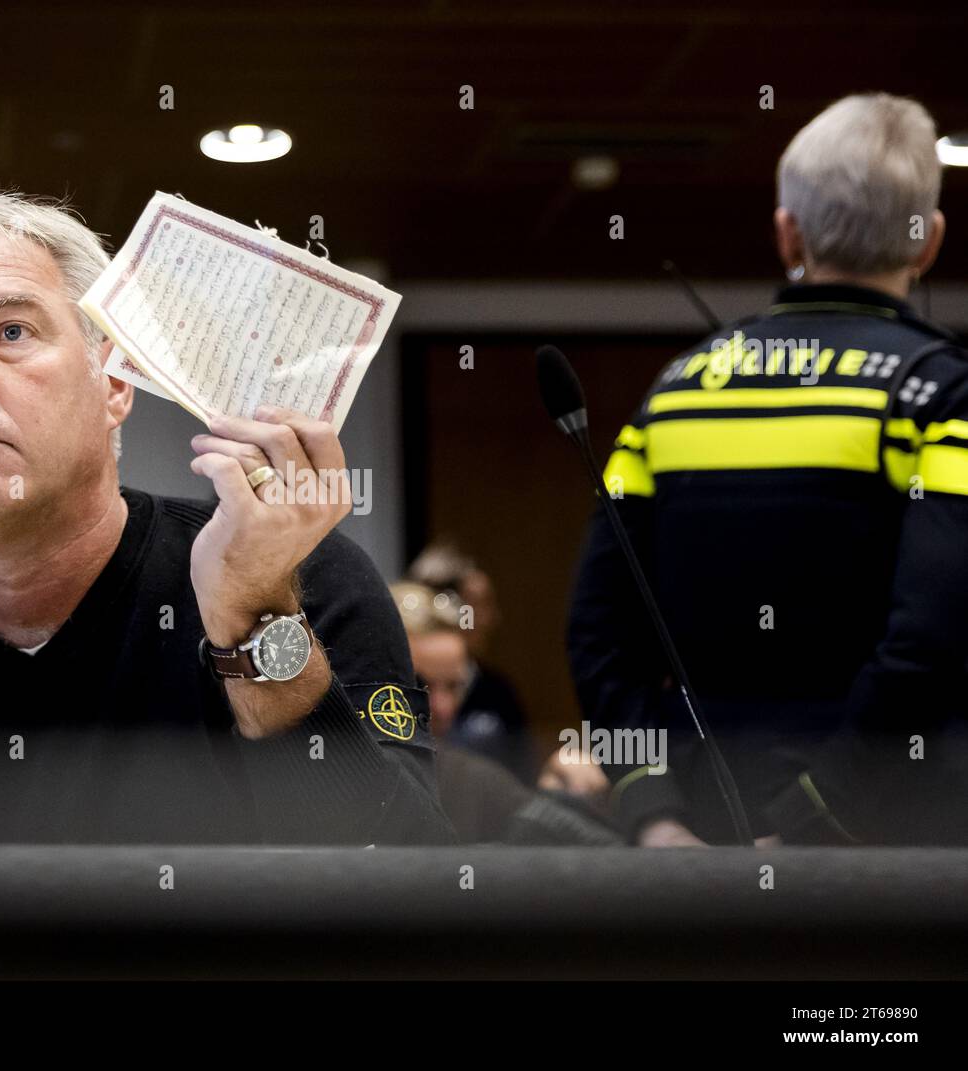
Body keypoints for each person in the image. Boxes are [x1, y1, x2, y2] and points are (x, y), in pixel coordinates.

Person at [0, 188, 456, 846]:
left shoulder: (307, 579)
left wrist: (254, 618)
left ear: (113, 383)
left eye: (10, 331)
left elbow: (405, 901)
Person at [567, 93, 968, 846]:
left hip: (701, 847)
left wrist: (652, 811)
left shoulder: (674, 396)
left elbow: (598, 635)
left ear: (788, 233)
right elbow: (935, 638)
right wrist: (811, 822)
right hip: (903, 859)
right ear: (930, 241)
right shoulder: (945, 398)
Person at [391, 582, 621, 844]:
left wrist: (563, 791)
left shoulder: (472, 779)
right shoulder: (343, 772)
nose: (443, 707)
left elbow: (605, 849)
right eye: (420, 684)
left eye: (454, 686)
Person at [406, 542, 538, 782]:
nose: (493, 619)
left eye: (454, 686)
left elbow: (524, 783)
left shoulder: (499, 692)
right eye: (480, 604)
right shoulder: (383, 685)